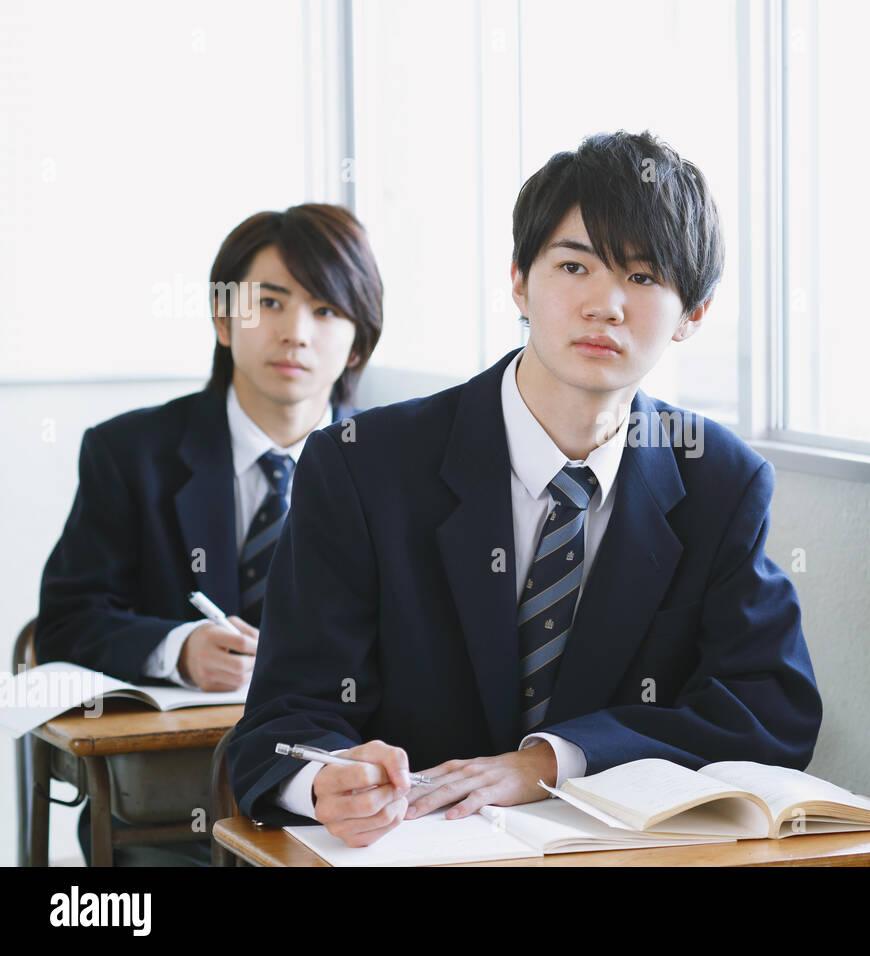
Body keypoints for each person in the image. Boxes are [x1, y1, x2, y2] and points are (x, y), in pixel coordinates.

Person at [228, 131, 822, 848]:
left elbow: (769, 708)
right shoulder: (362, 466)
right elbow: (283, 720)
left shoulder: (719, 479)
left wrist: (550, 762)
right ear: (519, 279)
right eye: (575, 265)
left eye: (643, 279)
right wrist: (325, 781)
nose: (606, 305)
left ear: (691, 314)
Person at [35, 203, 384, 863]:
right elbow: (66, 620)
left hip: (347, 797)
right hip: (172, 809)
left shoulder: (401, 466)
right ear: (224, 320)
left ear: (358, 341)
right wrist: (177, 645)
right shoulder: (130, 453)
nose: (297, 333)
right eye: (271, 303)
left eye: (327, 311)